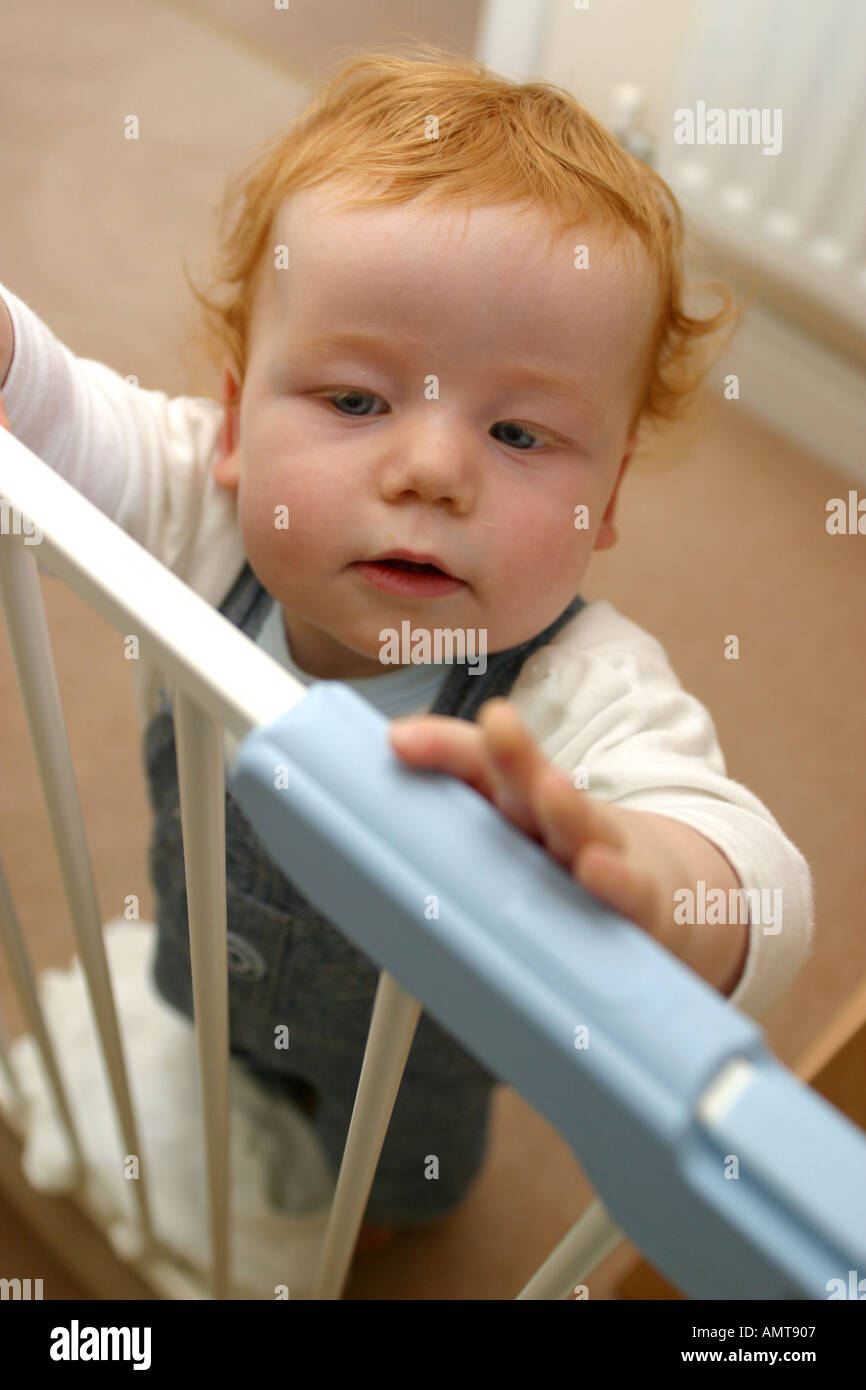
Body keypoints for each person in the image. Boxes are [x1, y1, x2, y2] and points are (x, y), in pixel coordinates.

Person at [0, 45, 813, 1252]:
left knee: (383, 1194)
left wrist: (642, 875)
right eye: (355, 400)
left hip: (409, 1078)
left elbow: (759, 874)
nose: (430, 470)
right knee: (200, 1026)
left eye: (520, 430)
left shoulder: (573, 686)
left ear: (607, 498)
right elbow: (58, 415)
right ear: (230, 426)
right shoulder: (206, 517)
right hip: (207, 954)